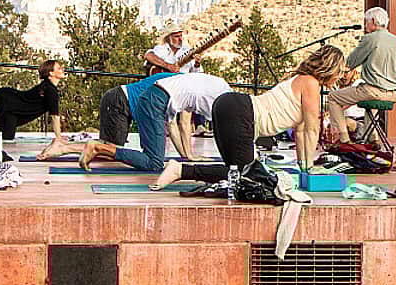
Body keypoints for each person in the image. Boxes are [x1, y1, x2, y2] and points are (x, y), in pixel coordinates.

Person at [152, 45, 346, 189]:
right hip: (240, 112)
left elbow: (302, 132)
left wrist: (304, 168)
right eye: (339, 71)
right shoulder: (311, 83)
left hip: (231, 107)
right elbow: (312, 129)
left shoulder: (301, 79)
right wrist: (310, 168)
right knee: (246, 174)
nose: (340, 77)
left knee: (236, 172)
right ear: (330, 68)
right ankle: (180, 170)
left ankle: (182, 171)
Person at [80, 72, 231, 172]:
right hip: (148, 103)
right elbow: (185, 125)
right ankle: (98, 147)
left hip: (149, 100)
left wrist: (186, 156)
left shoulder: (210, 86)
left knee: (154, 157)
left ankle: (96, 147)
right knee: (154, 163)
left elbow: (173, 127)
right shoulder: (219, 98)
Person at [38, 72, 174, 160]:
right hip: (119, 101)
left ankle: (63, 145)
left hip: (118, 99)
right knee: (110, 150)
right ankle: (64, 147)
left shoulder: (175, 79)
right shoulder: (177, 82)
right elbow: (175, 126)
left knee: (109, 149)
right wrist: (185, 156)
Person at [324, 7, 396, 144]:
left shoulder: (370, 39)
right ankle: (373, 139)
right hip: (394, 94)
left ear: (373, 21)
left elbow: (350, 63)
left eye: (366, 21)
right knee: (369, 103)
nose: (365, 25)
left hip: (373, 91)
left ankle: (344, 140)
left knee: (333, 97)